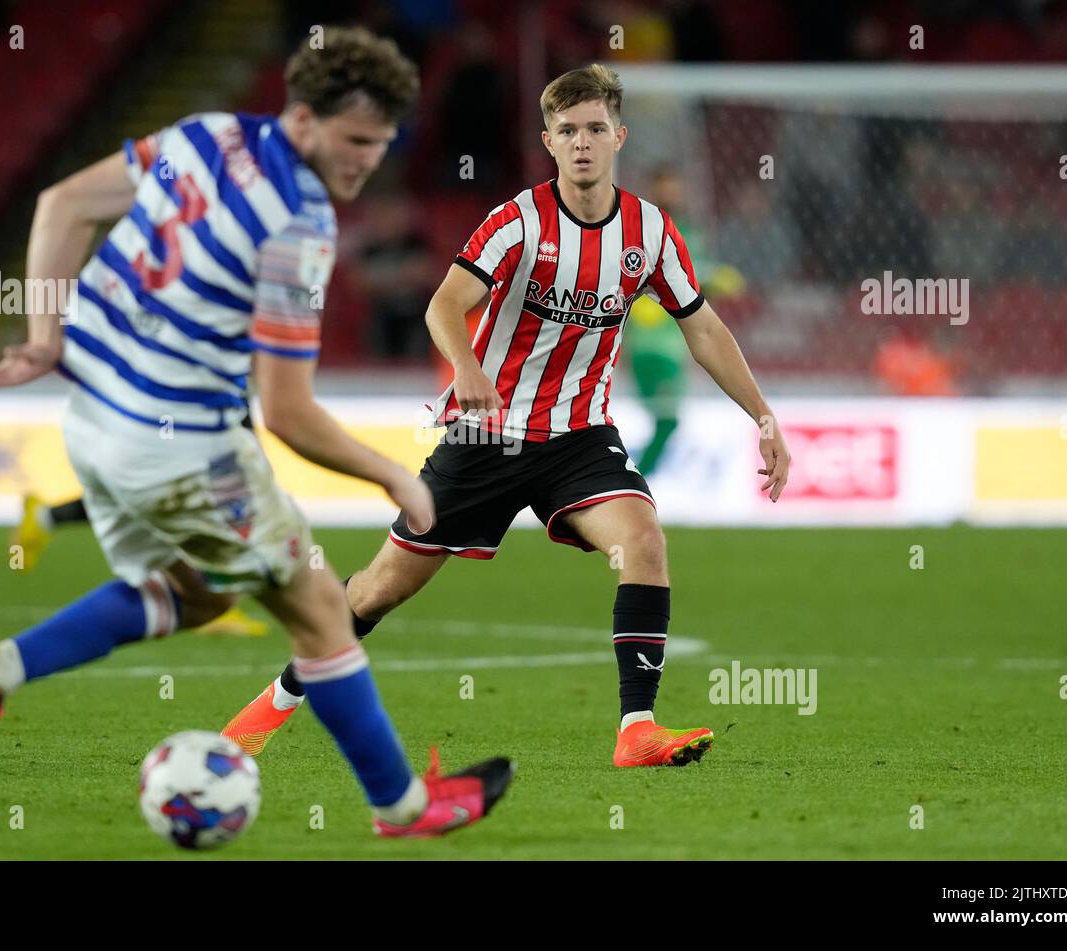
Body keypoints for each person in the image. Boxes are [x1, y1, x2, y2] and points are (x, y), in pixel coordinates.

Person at [0, 26, 513, 838]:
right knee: (318, 606)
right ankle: (402, 806)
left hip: (96, 424)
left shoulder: (203, 135)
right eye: (352, 141)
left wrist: (45, 338)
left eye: (380, 146)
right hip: (181, 448)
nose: (363, 163)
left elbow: (62, 205)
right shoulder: (299, 224)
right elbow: (287, 412)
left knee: (194, 591)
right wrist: (393, 474)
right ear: (303, 119)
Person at [224, 64, 791, 768]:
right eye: (566, 132)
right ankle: (265, 710)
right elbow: (443, 304)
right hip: (485, 435)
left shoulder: (650, 231)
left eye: (594, 129)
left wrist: (763, 416)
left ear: (619, 136)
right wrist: (467, 369)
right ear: (548, 142)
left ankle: (636, 729)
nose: (581, 143)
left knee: (643, 537)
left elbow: (701, 328)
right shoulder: (518, 222)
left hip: (580, 437)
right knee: (377, 590)